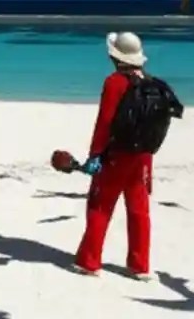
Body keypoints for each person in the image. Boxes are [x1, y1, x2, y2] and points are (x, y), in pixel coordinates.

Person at [72, 31, 182, 280]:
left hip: (116, 155)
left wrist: (95, 155)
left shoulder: (114, 82)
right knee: (139, 211)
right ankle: (139, 266)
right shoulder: (151, 82)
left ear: (115, 56)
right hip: (144, 156)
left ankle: (89, 263)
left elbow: (105, 122)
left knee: (100, 207)